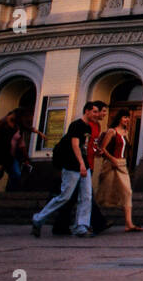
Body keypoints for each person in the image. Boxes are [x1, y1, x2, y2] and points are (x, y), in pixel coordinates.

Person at [31, 101, 97, 237]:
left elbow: (84, 147)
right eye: (94, 112)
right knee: (64, 196)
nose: (96, 115)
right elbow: (75, 145)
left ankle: (81, 226)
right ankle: (38, 218)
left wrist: (85, 164)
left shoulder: (89, 127)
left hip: (84, 166)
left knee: (86, 196)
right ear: (87, 111)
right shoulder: (76, 125)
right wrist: (81, 164)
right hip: (72, 166)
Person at [95, 109, 141, 232]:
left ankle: (129, 224)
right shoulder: (112, 131)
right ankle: (92, 218)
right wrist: (112, 159)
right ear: (119, 118)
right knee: (104, 192)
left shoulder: (125, 132)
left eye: (128, 118)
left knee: (127, 192)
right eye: (125, 117)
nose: (127, 120)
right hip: (111, 164)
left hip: (122, 164)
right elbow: (102, 148)